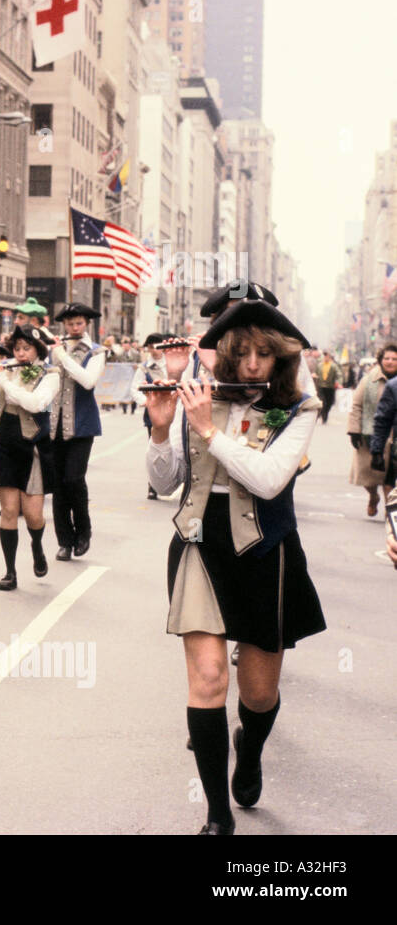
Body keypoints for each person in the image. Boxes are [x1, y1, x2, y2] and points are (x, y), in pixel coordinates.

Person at [145, 301, 324, 835]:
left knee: (259, 694)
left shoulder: (301, 408)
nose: (251, 364)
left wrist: (208, 432)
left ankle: (249, 752)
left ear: (281, 358)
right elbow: (163, 482)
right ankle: (218, 815)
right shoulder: (198, 398)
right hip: (200, 543)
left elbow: (269, 480)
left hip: (267, 549)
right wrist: (160, 430)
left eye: (264, 354)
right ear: (223, 354)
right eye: (241, 352)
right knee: (207, 679)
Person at [0, 325, 59, 590]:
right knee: (9, 510)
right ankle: (10, 571)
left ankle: (37, 545)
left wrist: (3, 380)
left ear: (38, 349)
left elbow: (35, 403)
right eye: (17, 348)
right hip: (4, 441)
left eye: (27, 348)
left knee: (34, 514)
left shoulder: (51, 374)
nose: (21, 353)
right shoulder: (5, 369)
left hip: (34, 445)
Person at [48, 303, 105, 560]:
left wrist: (63, 358)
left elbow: (88, 381)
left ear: (86, 324)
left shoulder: (96, 352)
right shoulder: (54, 350)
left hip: (82, 424)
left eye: (78, 323)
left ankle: (84, 530)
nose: (73, 328)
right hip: (53, 424)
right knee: (58, 484)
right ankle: (64, 541)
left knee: (74, 479)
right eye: (70, 324)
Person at [348, 343, 397, 516]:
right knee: (368, 479)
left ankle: (389, 509)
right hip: (371, 434)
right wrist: (354, 430)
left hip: (393, 437)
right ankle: (373, 496)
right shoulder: (369, 379)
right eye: (387, 358)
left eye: (394, 359)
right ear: (381, 360)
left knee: (388, 478)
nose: (390, 362)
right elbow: (356, 405)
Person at [132, 333, 168, 499]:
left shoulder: (171, 365)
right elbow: (135, 388)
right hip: (152, 414)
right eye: (151, 347)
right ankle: (152, 485)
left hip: (172, 412)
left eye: (157, 346)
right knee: (154, 449)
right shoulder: (144, 367)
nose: (154, 350)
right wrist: (145, 402)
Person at [313, 350, 340, 424]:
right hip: (321, 386)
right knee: (323, 402)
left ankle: (325, 414)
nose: (326, 358)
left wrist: (338, 382)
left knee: (329, 402)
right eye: (325, 356)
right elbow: (316, 373)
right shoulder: (319, 365)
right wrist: (315, 375)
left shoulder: (333, 366)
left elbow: (339, 374)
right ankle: (323, 416)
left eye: (327, 356)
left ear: (329, 357)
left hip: (330, 387)